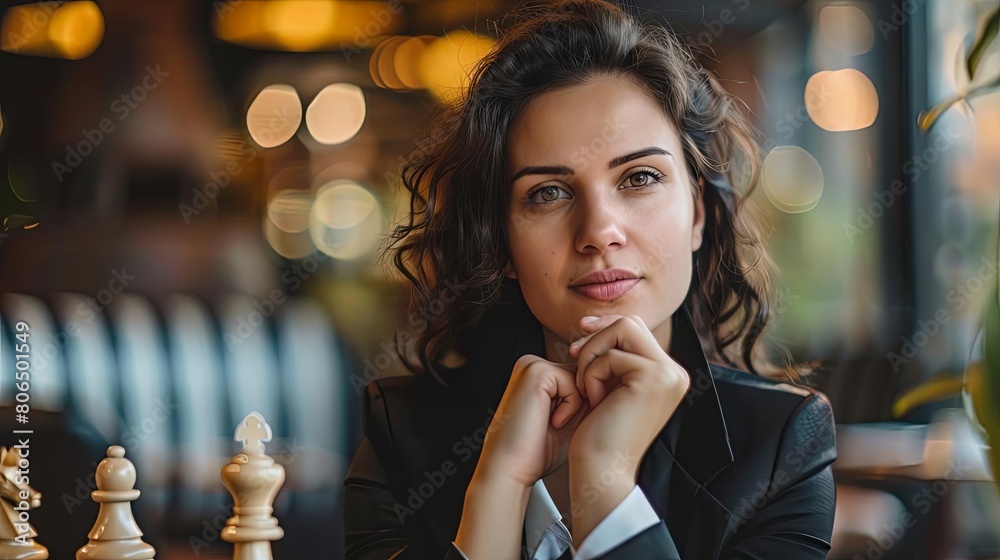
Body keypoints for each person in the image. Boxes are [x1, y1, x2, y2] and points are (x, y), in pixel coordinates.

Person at [344, 0, 837, 558]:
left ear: (697, 214)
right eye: (548, 193)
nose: (600, 231)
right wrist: (497, 488)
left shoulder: (781, 446)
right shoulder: (402, 435)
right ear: (500, 243)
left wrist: (605, 479)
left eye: (640, 177)